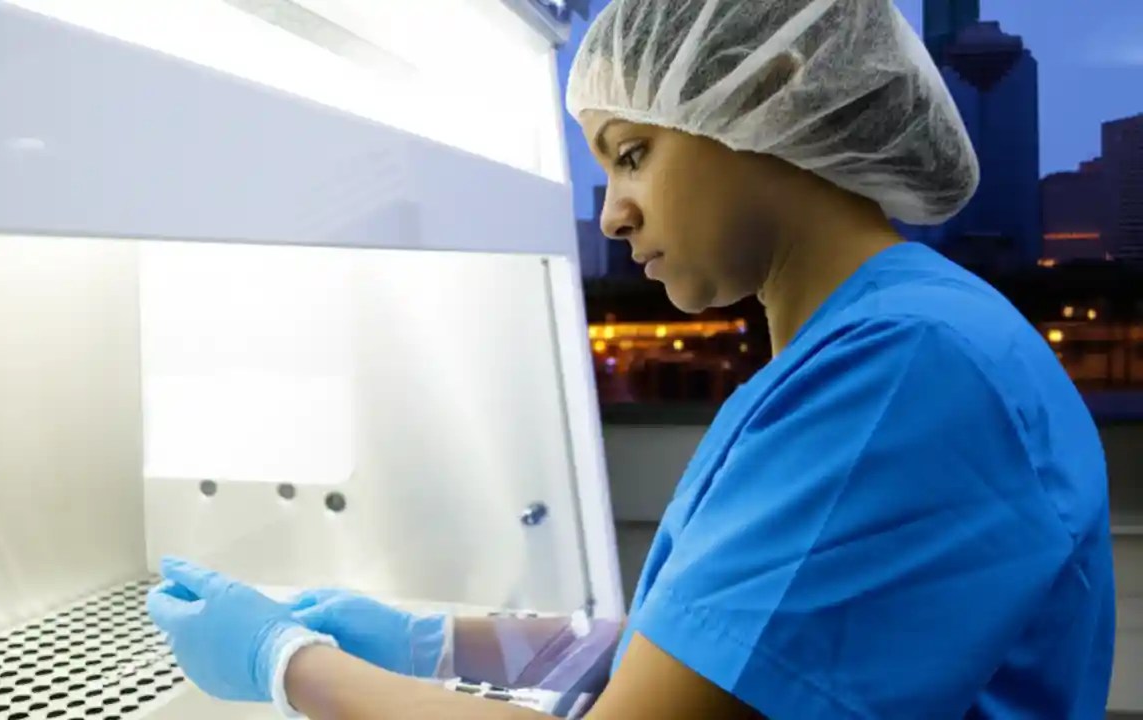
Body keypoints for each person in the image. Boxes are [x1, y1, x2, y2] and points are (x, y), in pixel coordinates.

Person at [146, 0, 1118, 717]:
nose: (610, 210)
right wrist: (442, 643)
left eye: (631, 152)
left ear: (772, 93)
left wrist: (291, 666)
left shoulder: (900, 372)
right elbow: (715, 648)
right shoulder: (881, 338)